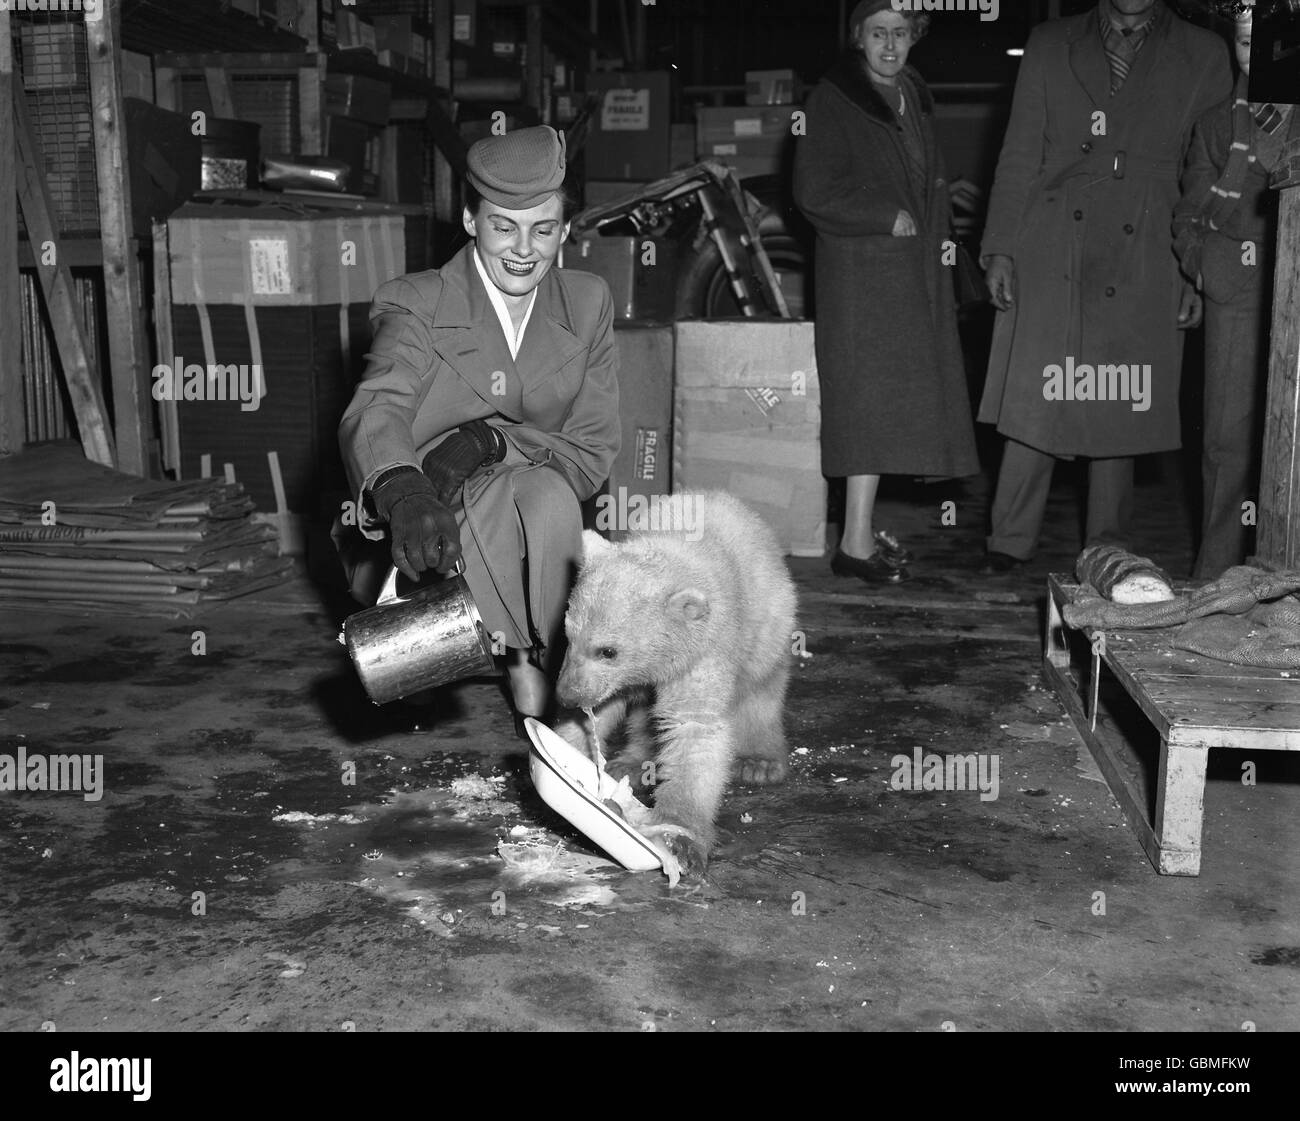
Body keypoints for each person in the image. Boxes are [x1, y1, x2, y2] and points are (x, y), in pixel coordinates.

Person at [337, 126, 620, 734]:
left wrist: (491, 441)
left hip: (536, 511)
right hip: (429, 518)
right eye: (503, 226)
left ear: (566, 230)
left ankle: (555, 682)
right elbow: (377, 406)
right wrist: (401, 490)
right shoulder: (417, 302)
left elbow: (592, 447)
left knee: (545, 495)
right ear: (470, 220)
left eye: (543, 229)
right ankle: (513, 652)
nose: (524, 248)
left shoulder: (589, 303)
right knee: (523, 501)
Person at [978, 0, 1232, 574]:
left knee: (1119, 391)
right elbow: (1018, 152)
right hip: (1049, 237)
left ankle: (1108, 548)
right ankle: (1008, 540)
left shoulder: (1204, 53)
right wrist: (1000, 247)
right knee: (1036, 390)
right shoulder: (1049, 42)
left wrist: (1197, 267)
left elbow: (1209, 170)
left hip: (1150, 242)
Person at [793, 0, 978, 585]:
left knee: (882, 412)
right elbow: (811, 190)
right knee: (864, 410)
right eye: (878, 33)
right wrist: (885, 214)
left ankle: (858, 537)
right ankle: (852, 543)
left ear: (914, 37)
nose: (890, 45)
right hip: (863, 277)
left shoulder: (914, 94)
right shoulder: (831, 98)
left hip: (909, 276)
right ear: (859, 38)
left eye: (900, 33)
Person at [1173, 1, 1299, 578]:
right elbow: (1189, 215)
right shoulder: (1215, 125)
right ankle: (1214, 577)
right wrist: (1206, 272)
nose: (1261, 56)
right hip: (1237, 294)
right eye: (1248, 43)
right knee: (1226, 444)